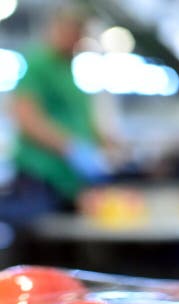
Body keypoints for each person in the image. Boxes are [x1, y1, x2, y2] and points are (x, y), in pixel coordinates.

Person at [8, 6, 109, 218]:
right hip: (41, 176)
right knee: (39, 240)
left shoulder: (68, 69)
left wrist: (109, 145)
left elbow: (81, 121)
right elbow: (25, 116)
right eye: (72, 32)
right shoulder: (38, 64)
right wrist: (70, 147)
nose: (77, 39)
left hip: (69, 180)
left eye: (80, 33)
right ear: (57, 29)